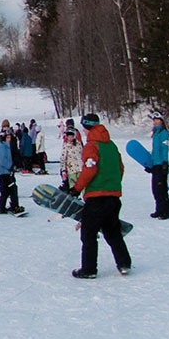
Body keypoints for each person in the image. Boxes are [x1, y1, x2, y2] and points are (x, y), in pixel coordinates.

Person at [71, 113, 131, 279]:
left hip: (96, 197)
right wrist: (113, 185)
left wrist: (77, 189)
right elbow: (121, 168)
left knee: (89, 233)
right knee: (113, 232)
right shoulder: (111, 145)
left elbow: (90, 168)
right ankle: (124, 263)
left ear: (86, 127)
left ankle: (89, 269)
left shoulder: (91, 146)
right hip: (113, 197)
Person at [147, 111, 169, 220]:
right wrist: (151, 164)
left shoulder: (163, 133)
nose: (156, 122)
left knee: (162, 189)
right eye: (154, 120)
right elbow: (154, 151)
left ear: (161, 121)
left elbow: (164, 149)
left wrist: (165, 163)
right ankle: (159, 209)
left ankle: (165, 212)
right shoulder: (155, 133)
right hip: (156, 164)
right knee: (155, 189)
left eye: (158, 120)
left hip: (161, 164)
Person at [0, 127, 23, 214]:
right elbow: (2, 160)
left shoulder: (7, 146)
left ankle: (8, 206)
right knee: (7, 189)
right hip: (3, 172)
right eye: (7, 138)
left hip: (7, 172)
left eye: (10, 138)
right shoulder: (1, 147)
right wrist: (10, 166)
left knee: (10, 189)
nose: (9, 139)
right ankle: (6, 207)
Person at [60, 127, 83, 191]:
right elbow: (63, 158)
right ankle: (74, 196)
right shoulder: (66, 145)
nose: (70, 138)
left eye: (71, 136)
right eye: (69, 136)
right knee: (73, 185)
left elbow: (82, 154)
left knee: (82, 184)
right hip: (71, 168)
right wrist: (63, 170)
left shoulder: (78, 144)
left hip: (79, 167)